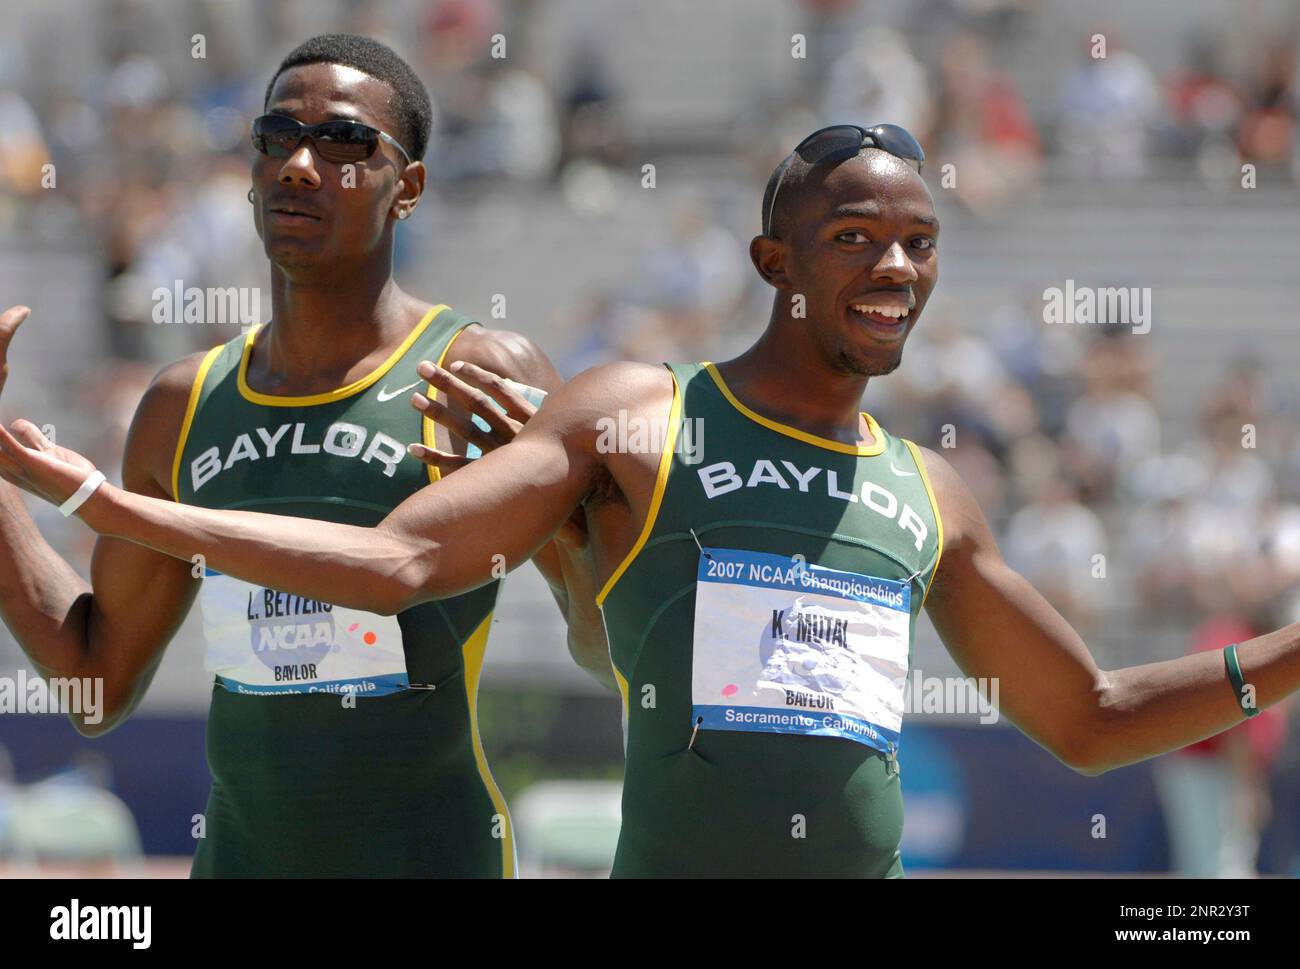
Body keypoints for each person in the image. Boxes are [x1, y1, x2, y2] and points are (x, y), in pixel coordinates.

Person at [5, 123, 1298, 878]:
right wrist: (123, 510)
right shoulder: (640, 413)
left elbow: (1088, 715)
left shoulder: (930, 489)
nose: (897, 265)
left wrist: (1286, 656)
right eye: (856, 237)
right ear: (773, 262)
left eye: (920, 242)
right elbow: (401, 563)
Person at [0, 33, 603, 878]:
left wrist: (571, 531)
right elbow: (94, 684)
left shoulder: (481, 374)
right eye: (276, 137)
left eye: (346, 143)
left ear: (411, 188)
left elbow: (611, 654)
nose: (299, 164)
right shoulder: (184, 404)